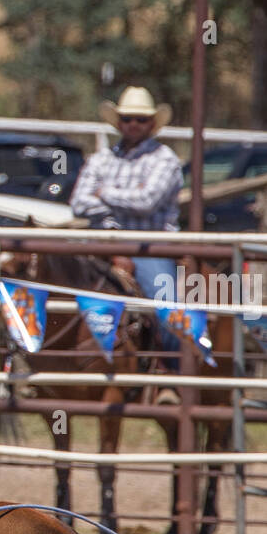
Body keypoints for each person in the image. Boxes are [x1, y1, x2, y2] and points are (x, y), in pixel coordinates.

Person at [70, 85, 183, 399]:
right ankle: (48, 368)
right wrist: (124, 200)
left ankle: (169, 375)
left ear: (151, 124)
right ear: (118, 122)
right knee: (61, 284)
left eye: (140, 119)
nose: (133, 124)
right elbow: (79, 203)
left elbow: (148, 201)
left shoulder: (165, 160)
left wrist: (103, 195)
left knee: (168, 304)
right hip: (102, 243)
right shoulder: (101, 158)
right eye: (127, 118)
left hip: (149, 246)